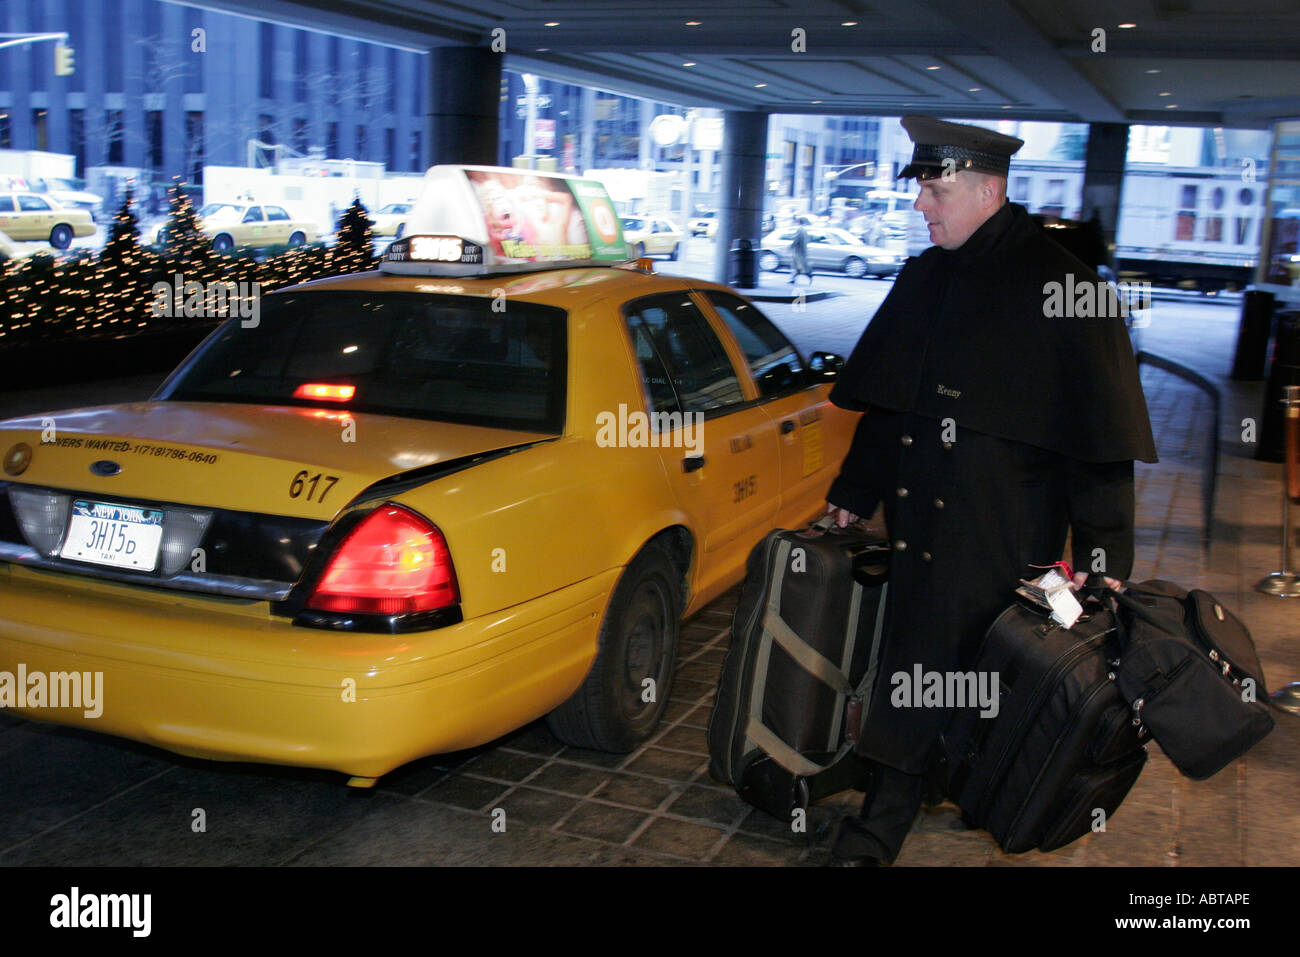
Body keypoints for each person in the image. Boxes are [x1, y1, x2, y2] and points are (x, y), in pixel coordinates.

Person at [822, 116, 1158, 866]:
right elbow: (890, 399)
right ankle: (890, 810)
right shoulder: (924, 277)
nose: (921, 207)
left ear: (988, 188)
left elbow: (1100, 444)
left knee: (977, 670)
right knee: (920, 661)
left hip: (1007, 536)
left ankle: (906, 808)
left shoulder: (1071, 290)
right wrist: (855, 486)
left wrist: (1103, 558)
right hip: (918, 528)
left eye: (935, 191)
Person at [789, 220, 812, 284]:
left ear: (798, 222)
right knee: (797, 266)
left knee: (796, 265)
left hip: (798, 251)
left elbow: (796, 239)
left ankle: (808, 274)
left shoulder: (799, 229)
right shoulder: (804, 230)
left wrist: (791, 246)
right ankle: (792, 279)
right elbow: (807, 240)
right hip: (802, 250)